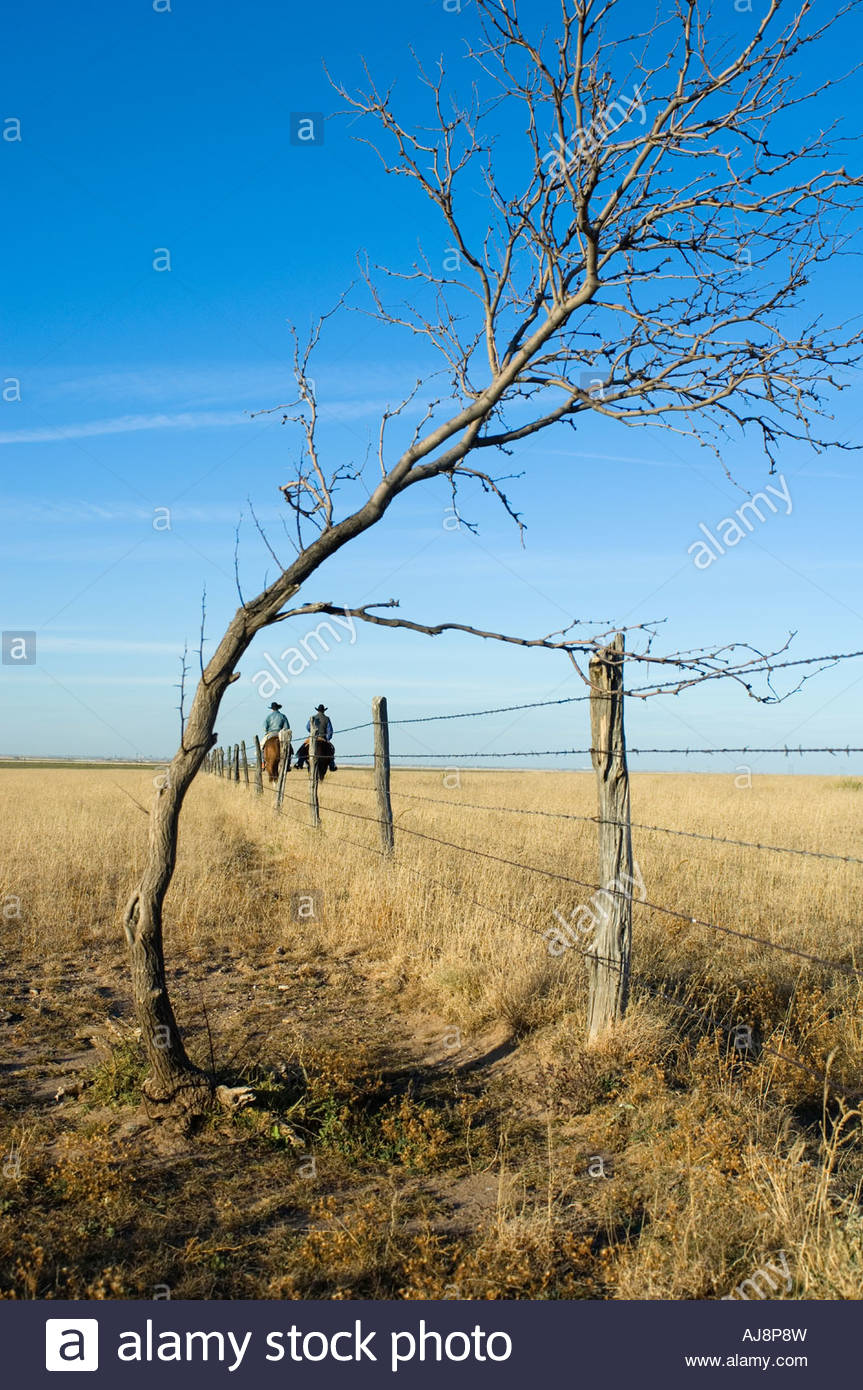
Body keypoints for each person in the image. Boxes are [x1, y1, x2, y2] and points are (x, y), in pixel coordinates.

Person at [306, 703, 337, 771]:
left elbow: (307, 727)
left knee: (304, 747)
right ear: (324, 711)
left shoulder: (313, 717)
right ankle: (332, 765)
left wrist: (312, 732)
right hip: (323, 738)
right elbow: (330, 730)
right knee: (331, 750)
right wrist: (328, 739)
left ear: (318, 710)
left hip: (313, 737)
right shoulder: (327, 719)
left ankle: (300, 761)